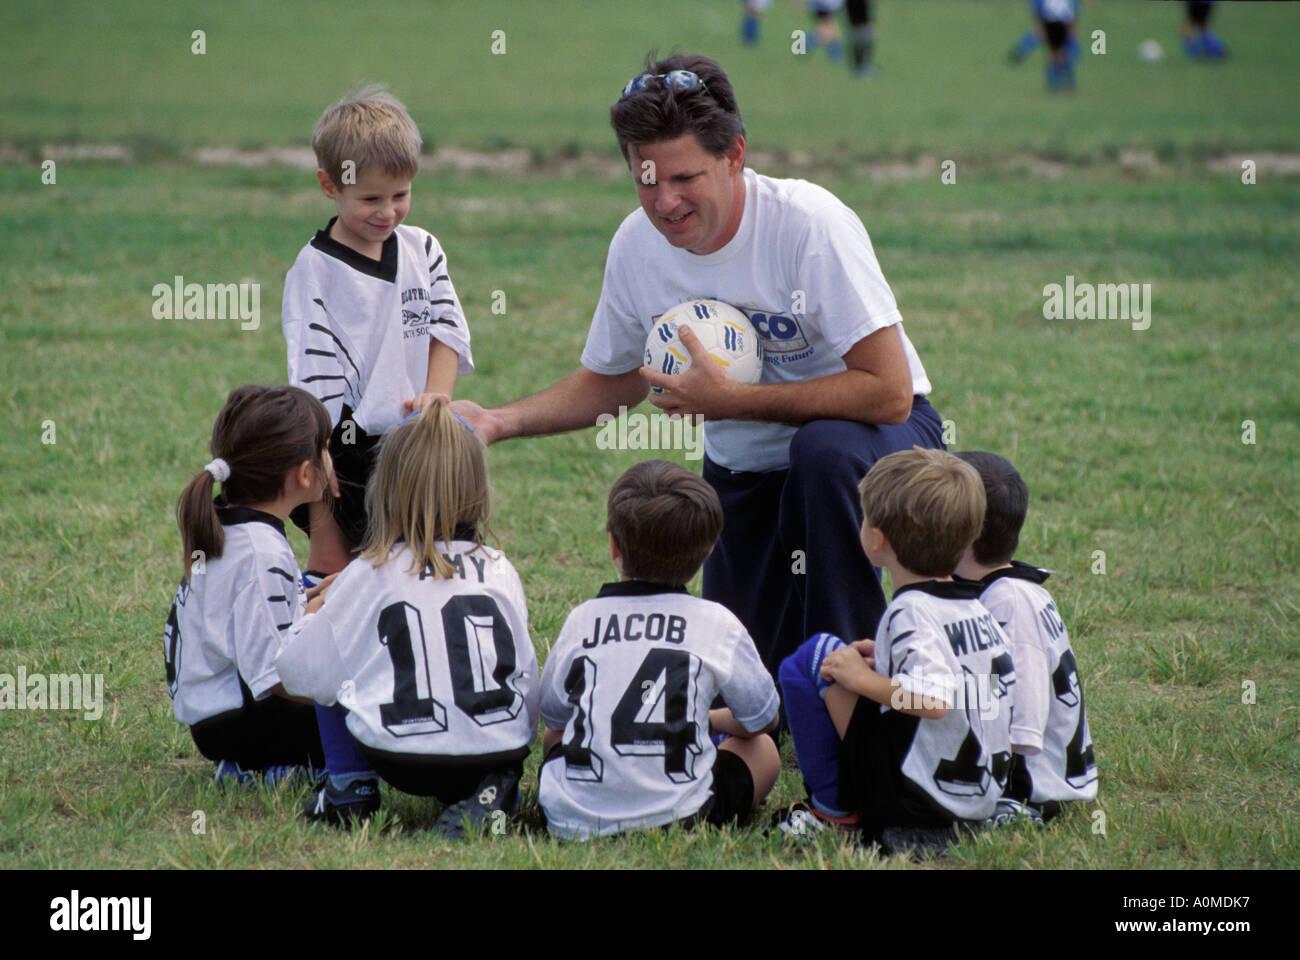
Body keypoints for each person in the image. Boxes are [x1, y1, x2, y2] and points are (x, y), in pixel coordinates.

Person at [451, 53, 942, 687]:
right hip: (745, 470)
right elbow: (618, 376)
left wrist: (733, 400)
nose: (665, 201)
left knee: (824, 451)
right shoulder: (635, 244)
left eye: (686, 177)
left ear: (735, 155)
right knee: (749, 687)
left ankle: (855, 686)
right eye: (645, 179)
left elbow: (891, 393)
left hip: (878, 449)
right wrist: (496, 420)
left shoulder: (809, 225)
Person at [277, 400, 538, 834]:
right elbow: (524, 677)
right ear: (478, 489)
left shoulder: (364, 573)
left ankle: (349, 787)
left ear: (383, 487)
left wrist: (317, 609)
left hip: (399, 760)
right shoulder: (499, 568)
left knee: (330, 652)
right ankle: (491, 790)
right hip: (496, 751)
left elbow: (297, 672)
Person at [777, 448, 1014, 855]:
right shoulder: (978, 607)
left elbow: (935, 700)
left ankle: (832, 814)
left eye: (865, 516)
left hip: (918, 802)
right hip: (976, 796)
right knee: (843, 661)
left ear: (876, 538)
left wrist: (864, 680)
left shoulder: (910, 610)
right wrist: (884, 662)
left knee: (813, 659)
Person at [282, 85, 474, 578]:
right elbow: (314, 369)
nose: (387, 212)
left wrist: (437, 397)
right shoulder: (314, 270)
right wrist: (318, 453)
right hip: (348, 446)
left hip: (415, 441)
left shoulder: (423, 248)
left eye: (400, 195)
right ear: (329, 185)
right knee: (343, 567)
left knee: (424, 561)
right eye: (370, 198)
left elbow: (446, 328)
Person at [537, 460, 781, 839]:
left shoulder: (583, 619)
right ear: (709, 550)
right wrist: (715, 721)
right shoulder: (718, 623)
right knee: (763, 749)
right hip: (681, 816)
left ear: (613, 544)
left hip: (571, 820)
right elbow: (763, 719)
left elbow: (552, 715)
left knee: (555, 735)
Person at [163, 385, 334, 784]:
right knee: (362, 724)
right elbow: (279, 676)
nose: (333, 457)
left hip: (219, 718)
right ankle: (266, 770)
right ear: (305, 474)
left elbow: (260, 616)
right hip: (244, 722)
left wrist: (320, 594)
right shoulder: (261, 552)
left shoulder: (235, 526)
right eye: (326, 447)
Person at [953, 451, 1097, 823]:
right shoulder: (1002, 588)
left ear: (960, 533)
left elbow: (1025, 721)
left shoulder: (1010, 602)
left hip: (1031, 785)